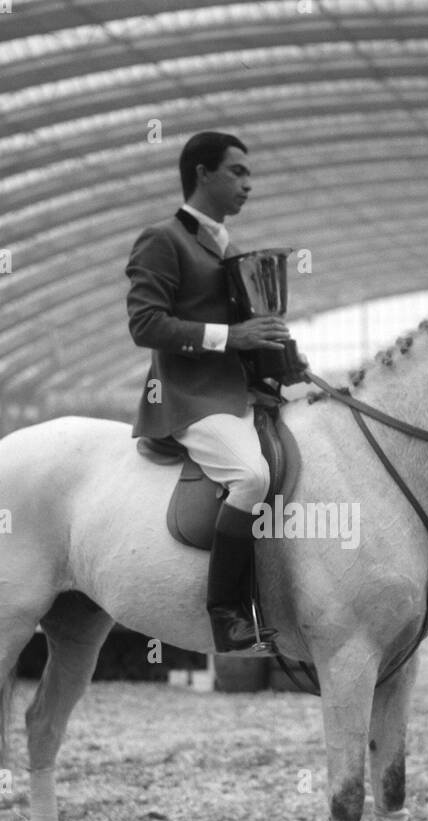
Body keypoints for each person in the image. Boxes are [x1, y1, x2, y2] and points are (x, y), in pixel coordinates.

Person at [127, 130, 314, 653]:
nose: (248, 184)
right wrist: (232, 336)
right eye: (237, 172)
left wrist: (281, 358)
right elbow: (144, 324)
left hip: (240, 392)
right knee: (251, 476)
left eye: (249, 174)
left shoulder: (225, 245)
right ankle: (225, 612)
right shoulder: (162, 239)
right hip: (190, 397)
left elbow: (244, 333)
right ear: (202, 174)